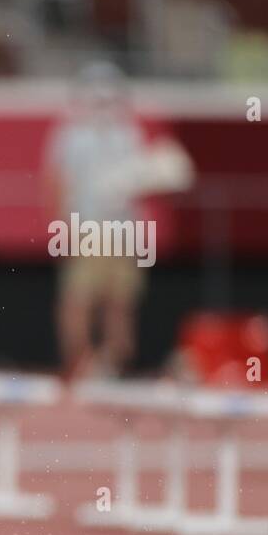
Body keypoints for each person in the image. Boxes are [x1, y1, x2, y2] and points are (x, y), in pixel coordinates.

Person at [44, 61, 193, 381]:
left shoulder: (128, 134)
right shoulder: (71, 137)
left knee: (119, 304)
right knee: (79, 302)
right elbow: (57, 183)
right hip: (87, 228)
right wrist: (63, 228)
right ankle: (80, 365)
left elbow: (138, 183)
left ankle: (112, 365)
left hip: (122, 230)